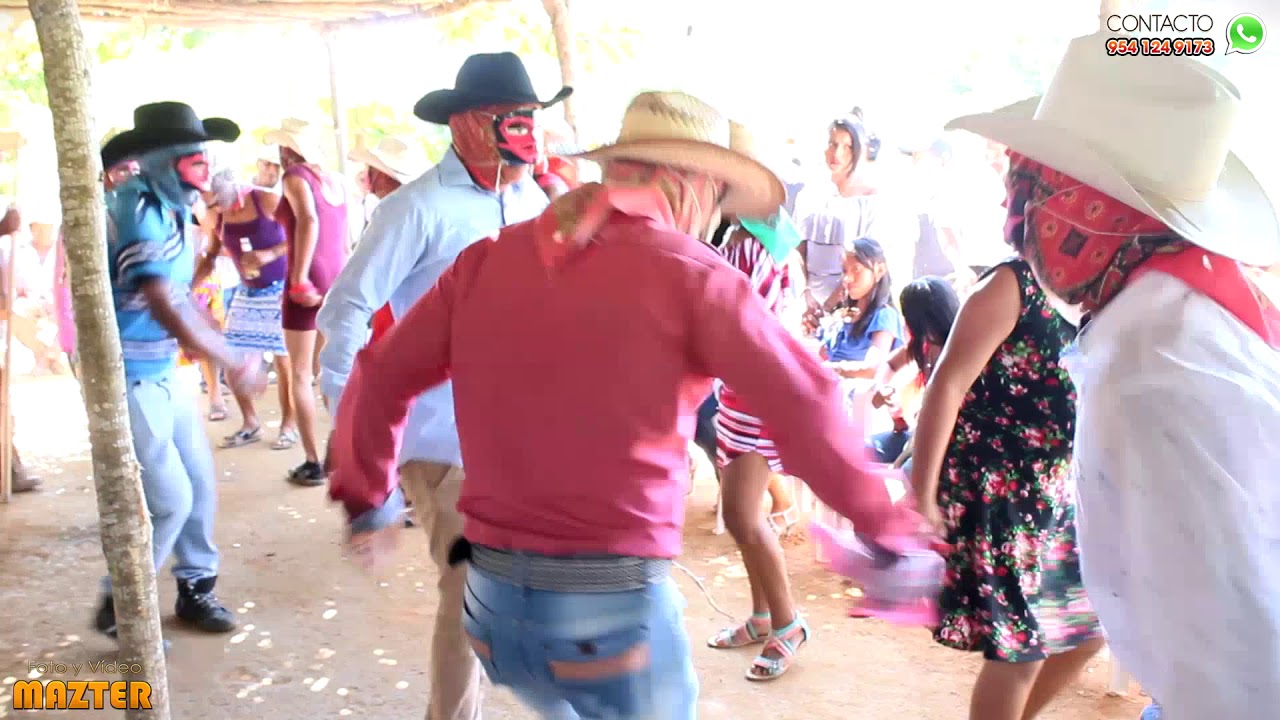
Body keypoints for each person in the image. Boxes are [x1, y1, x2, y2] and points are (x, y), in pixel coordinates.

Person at [327, 90, 929, 720]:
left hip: (492, 612)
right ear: (694, 185)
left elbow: (380, 374)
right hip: (608, 616)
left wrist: (368, 496)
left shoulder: (488, 259)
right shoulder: (697, 278)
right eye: (718, 200)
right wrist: (887, 529)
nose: (714, 221)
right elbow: (806, 401)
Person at [948, 30, 1280, 720]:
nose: (1018, 207)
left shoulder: (1153, 367)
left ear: (1086, 204)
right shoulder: (1190, 300)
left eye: (1034, 183)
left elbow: (1241, 645)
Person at [317, 51, 568, 720]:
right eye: (512, 121)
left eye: (532, 120)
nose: (527, 133)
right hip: (441, 439)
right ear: (468, 125)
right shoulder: (416, 209)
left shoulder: (531, 198)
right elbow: (344, 313)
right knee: (471, 594)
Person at [910, 119, 1106, 718]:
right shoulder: (1008, 285)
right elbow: (945, 386)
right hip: (1000, 495)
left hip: (1055, 496)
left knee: (1092, 628)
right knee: (1019, 654)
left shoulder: (1093, 290)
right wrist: (921, 495)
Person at [92, 101, 267, 641]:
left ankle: (196, 589)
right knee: (169, 502)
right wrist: (229, 355)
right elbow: (162, 300)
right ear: (162, 160)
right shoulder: (135, 206)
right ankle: (121, 606)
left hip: (166, 368)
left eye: (203, 157)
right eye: (192, 158)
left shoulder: (174, 209)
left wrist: (220, 345)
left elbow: (184, 297)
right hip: (134, 375)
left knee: (198, 486)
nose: (203, 169)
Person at [705, 121, 808, 681]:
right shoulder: (756, 236)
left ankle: (789, 622)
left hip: (759, 393)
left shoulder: (754, 247)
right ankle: (764, 614)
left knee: (746, 515)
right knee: (743, 515)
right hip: (743, 394)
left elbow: (747, 327)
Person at [263, 118, 350, 486]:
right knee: (331, 372)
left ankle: (314, 461)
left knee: (301, 374)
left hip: (307, 277)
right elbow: (343, 237)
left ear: (287, 149)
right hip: (335, 276)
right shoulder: (334, 181)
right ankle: (347, 451)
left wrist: (298, 277)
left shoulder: (295, 176)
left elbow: (308, 222)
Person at [199, 168, 297, 450]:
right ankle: (250, 423)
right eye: (209, 205)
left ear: (230, 195)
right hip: (248, 290)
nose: (212, 210)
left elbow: (300, 232)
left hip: (280, 287)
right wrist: (192, 283)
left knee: (283, 360)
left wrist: (270, 254)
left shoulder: (264, 200)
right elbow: (210, 254)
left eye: (215, 203)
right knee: (233, 358)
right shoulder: (217, 217)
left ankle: (289, 424)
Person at [346, 134, 431, 346]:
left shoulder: (393, 212)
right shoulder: (416, 208)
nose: (368, 176)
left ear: (383, 175)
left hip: (400, 310)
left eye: (372, 170)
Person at [867, 276, 960, 466]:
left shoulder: (961, 350)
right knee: (863, 450)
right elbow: (890, 364)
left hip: (949, 445)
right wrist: (882, 387)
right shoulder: (922, 345)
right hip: (919, 435)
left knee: (907, 471)